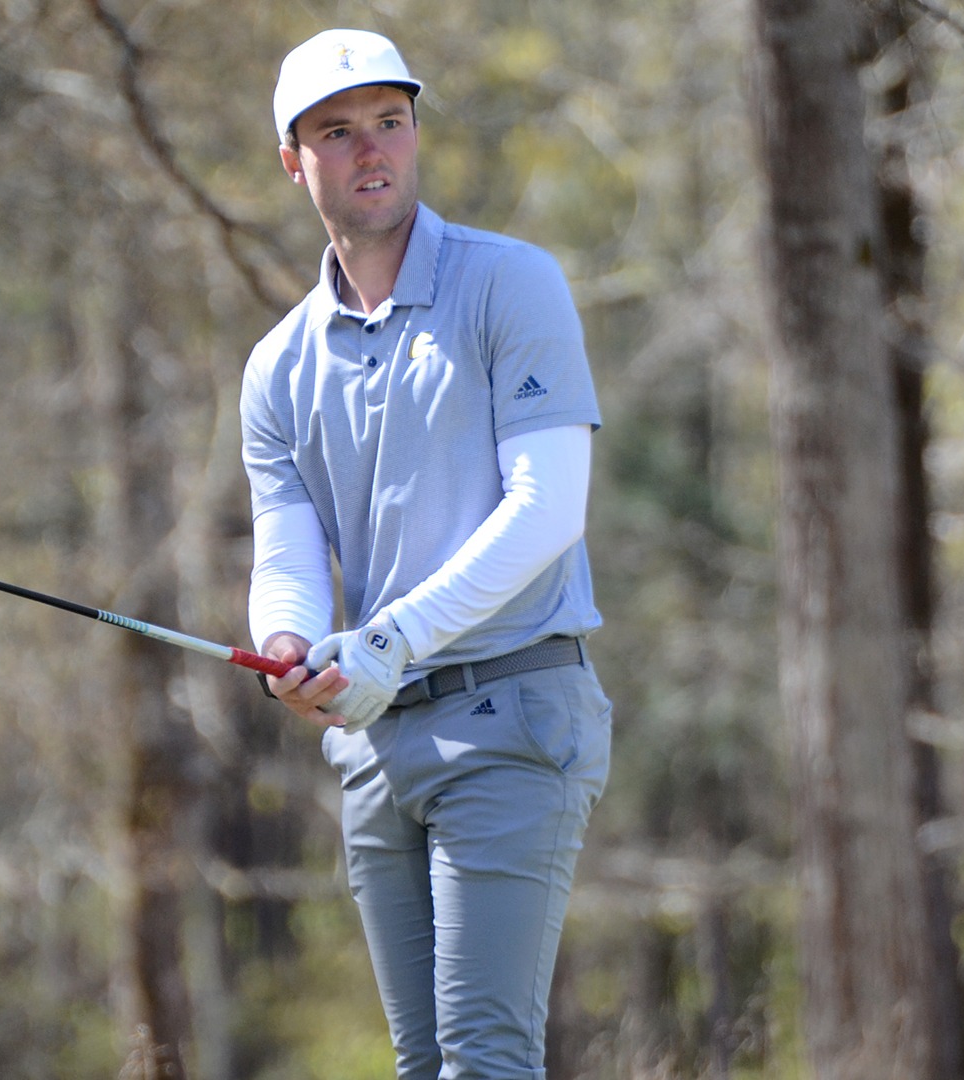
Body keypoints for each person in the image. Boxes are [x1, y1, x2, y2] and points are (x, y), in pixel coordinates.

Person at [240, 28, 612, 1080]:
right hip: (374, 739)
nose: (372, 152)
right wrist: (291, 648)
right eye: (338, 132)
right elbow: (290, 548)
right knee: (423, 1065)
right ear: (293, 158)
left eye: (391, 124)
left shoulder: (510, 285)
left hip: (513, 712)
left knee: (485, 1063)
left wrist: (387, 641)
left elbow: (550, 512)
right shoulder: (278, 368)